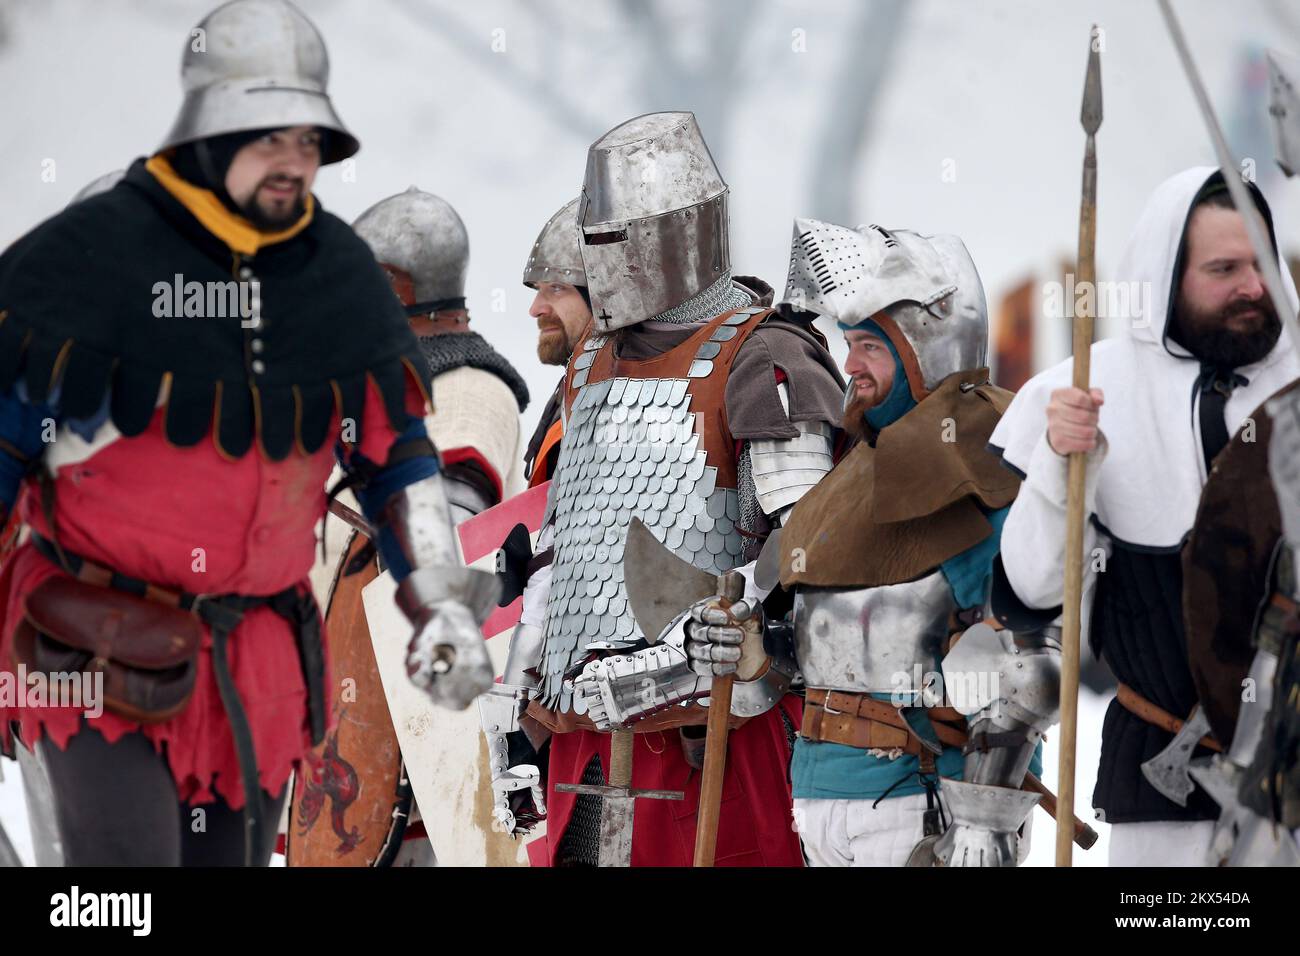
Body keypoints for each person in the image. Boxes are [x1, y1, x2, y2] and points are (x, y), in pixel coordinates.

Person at [0, 0, 494, 867]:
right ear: (209, 129)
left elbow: (394, 456)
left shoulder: (337, 276)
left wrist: (440, 596)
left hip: (259, 661)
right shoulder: (89, 258)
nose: (294, 161)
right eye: (271, 137)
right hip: (94, 643)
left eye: (309, 142)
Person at [476, 111, 845, 866]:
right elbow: (561, 557)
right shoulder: (591, 366)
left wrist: (694, 649)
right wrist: (518, 707)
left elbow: (809, 554)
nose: (600, 264)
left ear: (669, 239)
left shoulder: (764, 353)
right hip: (583, 741)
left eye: (613, 244)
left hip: (711, 739)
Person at [989, 167, 1299, 865]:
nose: (1253, 285)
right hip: (1162, 791)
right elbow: (1032, 592)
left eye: (1261, 263)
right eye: (1224, 268)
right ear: (1166, 277)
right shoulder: (1084, 390)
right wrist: (1063, 469)